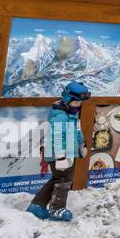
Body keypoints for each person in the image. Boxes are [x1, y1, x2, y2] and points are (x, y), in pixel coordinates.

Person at [25, 81, 90, 222]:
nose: (78, 105)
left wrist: (81, 144)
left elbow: (77, 130)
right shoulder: (60, 116)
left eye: (80, 103)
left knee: (59, 179)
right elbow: (57, 139)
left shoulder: (72, 114)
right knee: (63, 181)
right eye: (75, 102)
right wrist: (60, 157)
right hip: (58, 155)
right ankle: (57, 209)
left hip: (70, 153)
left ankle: (37, 205)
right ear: (67, 99)